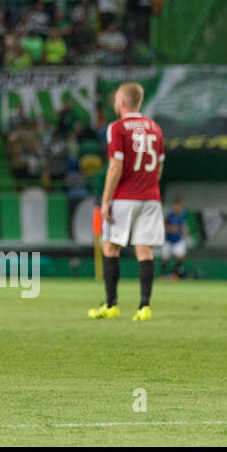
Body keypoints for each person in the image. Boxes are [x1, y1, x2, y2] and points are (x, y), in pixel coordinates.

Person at [89, 82, 165, 321]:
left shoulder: (117, 128)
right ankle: (145, 307)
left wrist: (106, 200)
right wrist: (148, 185)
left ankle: (111, 305)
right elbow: (159, 167)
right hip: (151, 197)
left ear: (122, 102)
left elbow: (115, 165)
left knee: (110, 247)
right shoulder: (155, 128)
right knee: (144, 250)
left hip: (124, 197)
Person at [161, 198, 189, 280]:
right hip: (169, 240)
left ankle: (176, 272)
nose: (178, 208)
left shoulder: (184, 215)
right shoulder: (170, 215)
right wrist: (170, 228)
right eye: (176, 206)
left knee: (181, 256)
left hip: (178, 240)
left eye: (179, 206)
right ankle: (163, 274)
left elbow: (185, 228)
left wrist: (184, 230)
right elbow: (164, 226)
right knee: (165, 259)